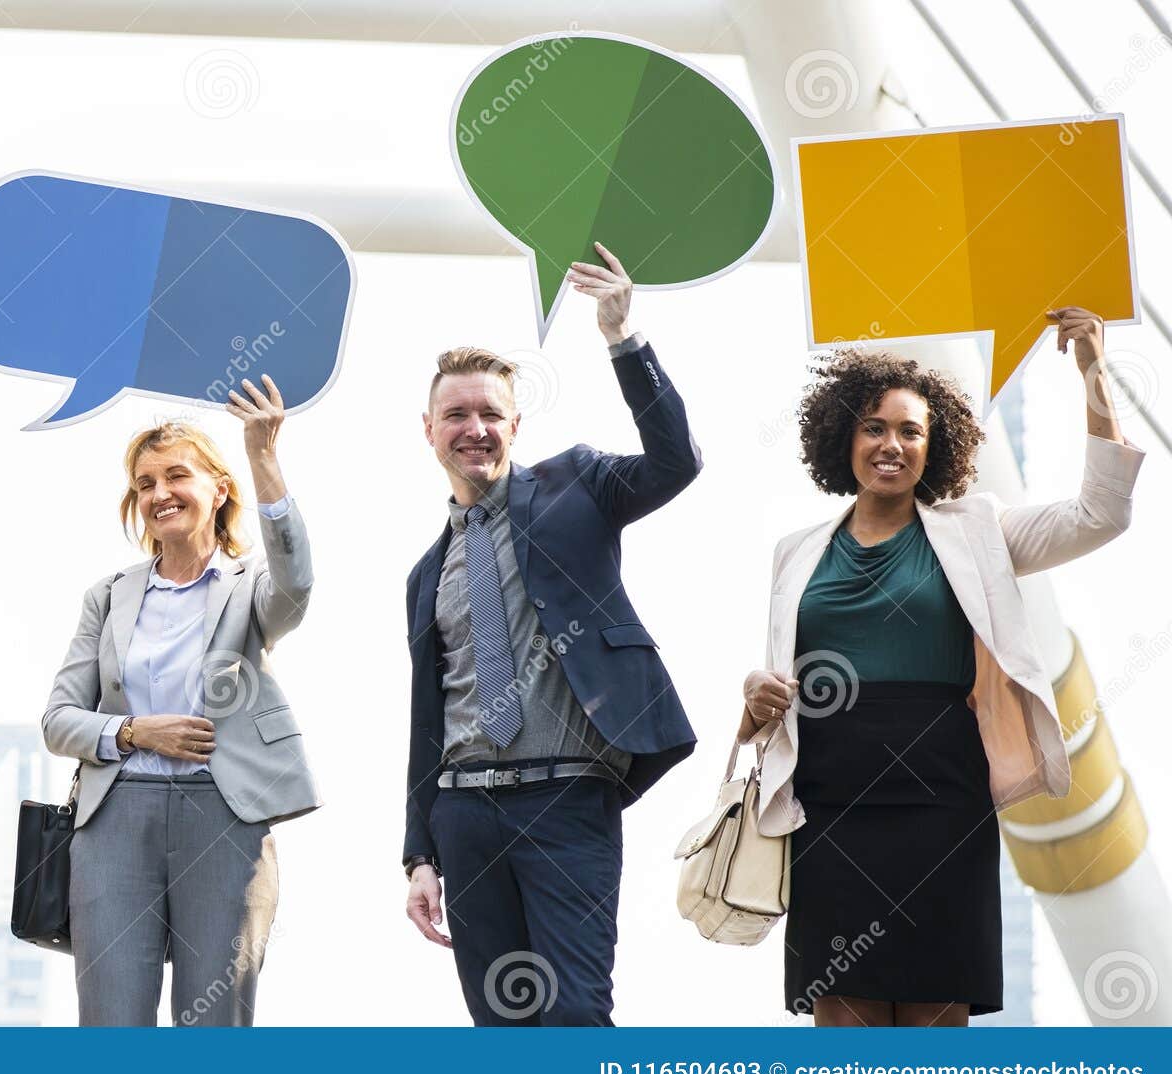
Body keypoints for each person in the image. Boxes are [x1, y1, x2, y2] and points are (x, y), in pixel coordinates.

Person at [740, 307, 1143, 1026]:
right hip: (829, 802)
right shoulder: (796, 552)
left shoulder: (978, 531)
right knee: (845, 1025)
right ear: (845, 437)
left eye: (910, 431)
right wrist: (754, 688)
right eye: (874, 427)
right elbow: (778, 672)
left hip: (941, 798)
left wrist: (1093, 373)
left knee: (935, 1024)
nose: (890, 444)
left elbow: (1101, 514)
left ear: (936, 446)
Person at [402, 243, 703, 1026]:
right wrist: (418, 852)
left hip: (567, 799)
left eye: (490, 414)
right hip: (465, 816)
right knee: (502, 1029)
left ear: (515, 424)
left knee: (574, 1016)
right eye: (457, 415)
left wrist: (621, 334)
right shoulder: (425, 573)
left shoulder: (578, 486)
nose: (475, 428)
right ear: (428, 430)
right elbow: (426, 719)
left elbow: (676, 461)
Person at [42, 374, 315, 1026]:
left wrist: (264, 457)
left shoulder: (251, 587)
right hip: (115, 822)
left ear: (219, 489)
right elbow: (58, 720)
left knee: (214, 1027)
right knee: (112, 1029)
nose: (160, 492)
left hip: (222, 814)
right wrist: (135, 731)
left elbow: (296, 583)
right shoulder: (108, 595)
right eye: (145, 483)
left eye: (176, 475)